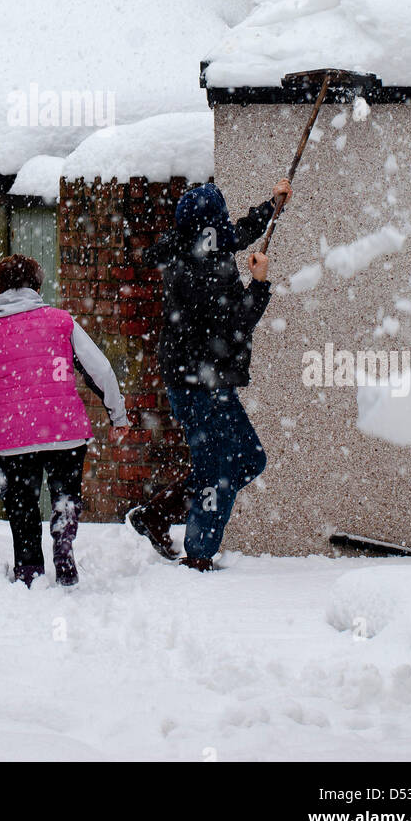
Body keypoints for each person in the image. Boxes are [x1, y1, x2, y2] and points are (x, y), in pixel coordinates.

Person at [127, 178, 292, 572]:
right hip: (199, 383)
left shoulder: (190, 243)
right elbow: (238, 323)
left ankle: (158, 513)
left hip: (202, 380)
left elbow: (238, 233)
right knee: (216, 466)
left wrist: (272, 205)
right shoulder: (205, 272)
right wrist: (260, 283)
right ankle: (198, 553)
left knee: (248, 459)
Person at [0, 253, 129, 588]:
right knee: (66, 493)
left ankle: (29, 570)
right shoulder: (62, 321)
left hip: (12, 438)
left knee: (21, 507)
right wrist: (117, 415)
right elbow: (100, 369)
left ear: (1, 286)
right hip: (65, 430)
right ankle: (63, 542)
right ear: (37, 285)